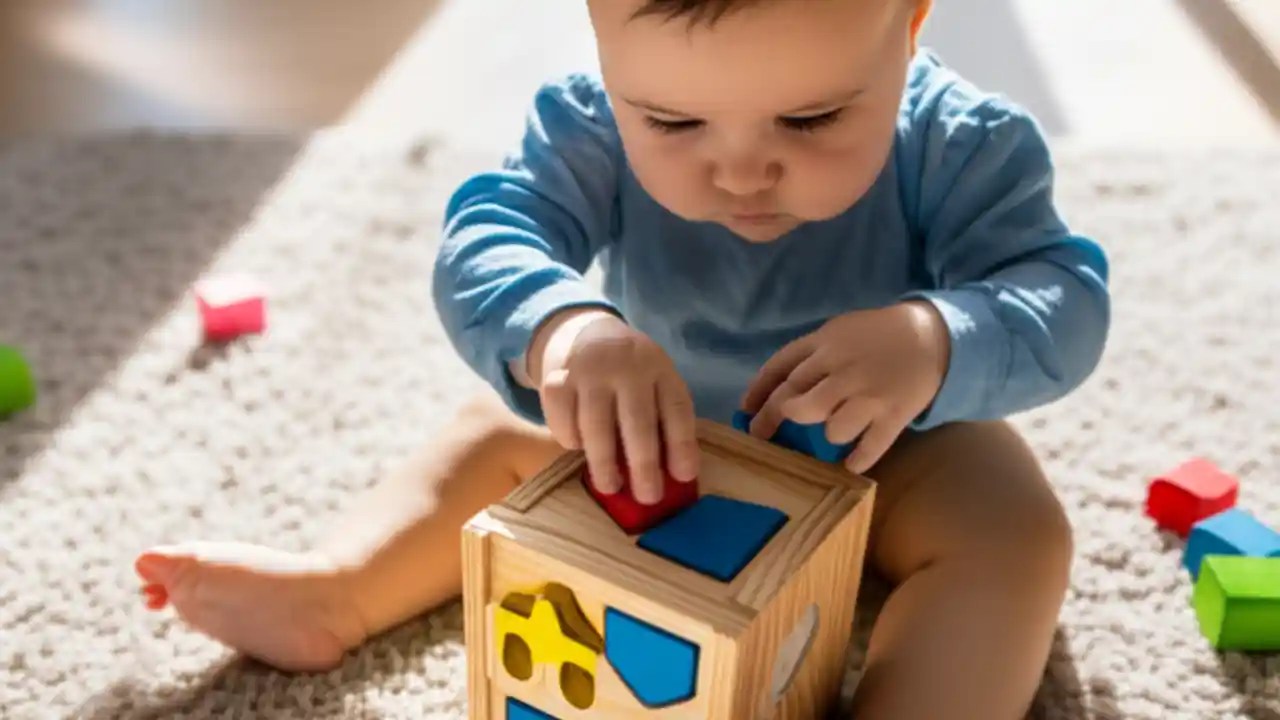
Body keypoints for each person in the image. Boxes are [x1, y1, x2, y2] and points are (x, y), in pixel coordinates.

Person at [135, 1, 1111, 716]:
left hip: (886, 453)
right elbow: (487, 236)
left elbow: (1060, 298)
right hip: (653, 441)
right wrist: (563, 329)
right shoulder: (589, 124)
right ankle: (338, 587)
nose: (738, 170)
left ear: (907, 26)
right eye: (674, 123)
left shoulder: (961, 144)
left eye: (809, 121)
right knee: (491, 438)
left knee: (1015, 536)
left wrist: (936, 339)